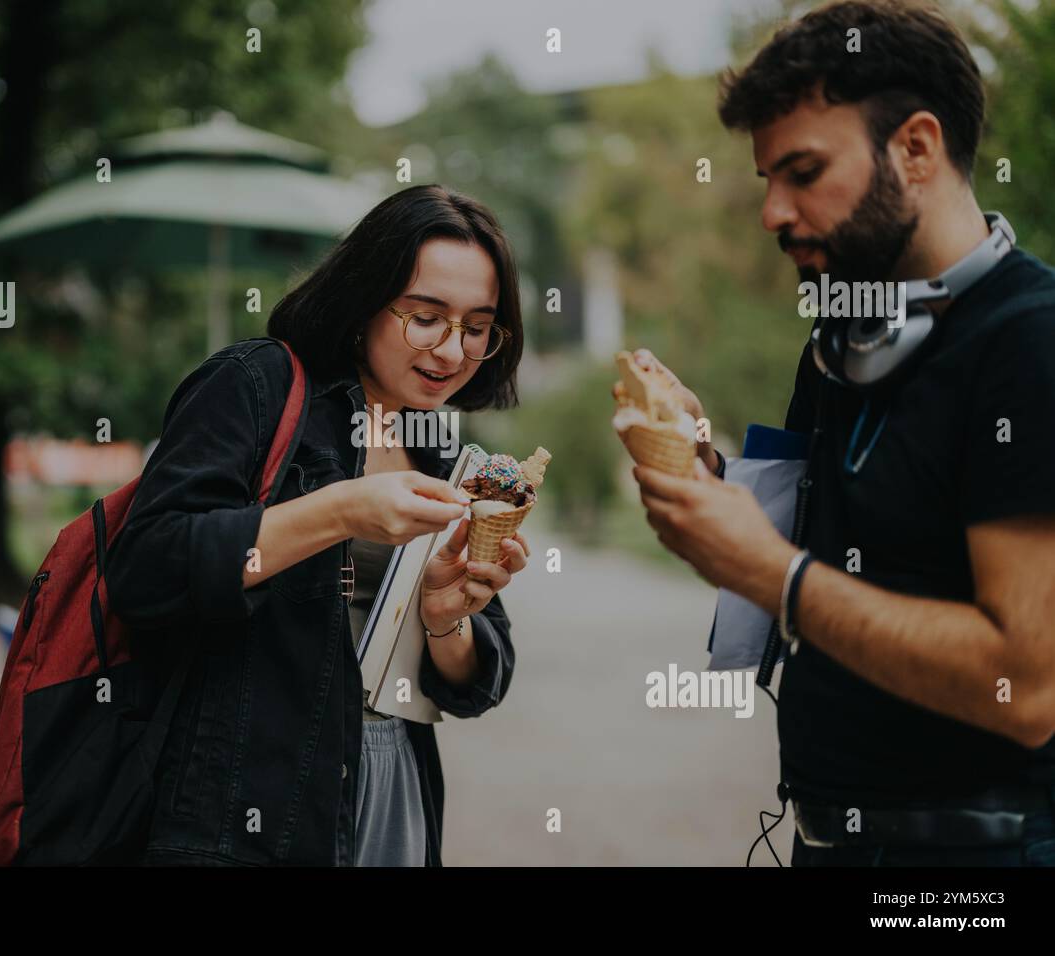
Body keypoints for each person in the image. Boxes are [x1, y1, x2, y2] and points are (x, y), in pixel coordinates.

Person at [624, 0, 1055, 865]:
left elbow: (1027, 682)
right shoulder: (839, 338)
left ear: (918, 149)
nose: (772, 214)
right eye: (765, 182)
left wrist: (767, 572)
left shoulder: (1029, 342)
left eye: (804, 171)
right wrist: (706, 483)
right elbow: (833, 540)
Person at [106, 184, 529, 866]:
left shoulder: (440, 443)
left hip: (394, 780)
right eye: (426, 317)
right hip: (249, 798)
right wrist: (340, 511)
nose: (452, 352)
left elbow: (478, 682)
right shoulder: (256, 385)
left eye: (476, 328)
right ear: (364, 299)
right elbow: (146, 571)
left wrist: (447, 616)